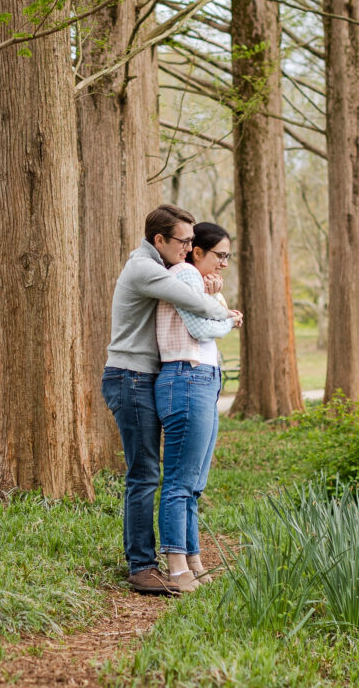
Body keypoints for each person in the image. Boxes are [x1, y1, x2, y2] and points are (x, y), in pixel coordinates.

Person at [103, 204, 236, 595]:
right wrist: (225, 313)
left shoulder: (160, 266)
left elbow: (193, 287)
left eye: (194, 241)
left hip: (147, 376)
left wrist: (208, 285)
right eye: (184, 241)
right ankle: (142, 566)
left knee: (152, 474)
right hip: (130, 376)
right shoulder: (146, 270)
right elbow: (192, 303)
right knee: (143, 475)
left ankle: (153, 559)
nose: (189, 248)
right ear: (159, 240)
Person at [152, 222, 237, 592]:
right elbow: (202, 331)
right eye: (220, 255)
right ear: (197, 252)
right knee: (180, 481)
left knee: (194, 484)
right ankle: (176, 568)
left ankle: (194, 558)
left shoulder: (197, 282)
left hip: (202, 380)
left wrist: (219, 306)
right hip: (187, 378)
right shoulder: (184, 272)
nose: (224, 264)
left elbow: (207, 317)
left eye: (228, 257)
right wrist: (230, 320)